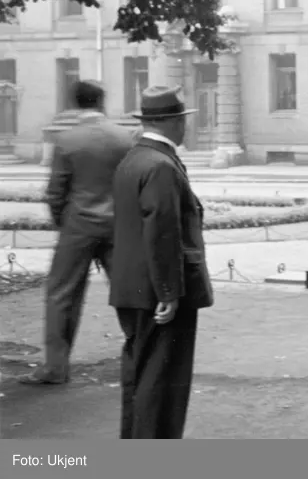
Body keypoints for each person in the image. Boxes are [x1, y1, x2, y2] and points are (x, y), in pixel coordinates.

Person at [109, 86, 213, 439]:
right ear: (169, 122)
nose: (185, 127)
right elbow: (163, 232)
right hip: (159, 289)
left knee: (140, 376)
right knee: (164, 384)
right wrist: (169, 292)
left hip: (132, 286)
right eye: (182, 120)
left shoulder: (135, 158)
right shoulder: (161, 165)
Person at [18, 80, 134, 386]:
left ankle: (56, 367)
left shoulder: (67, 140)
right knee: (127, 291)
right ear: (101, 102)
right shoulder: (124, 138)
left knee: (61, 295)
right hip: (117, 225)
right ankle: (139, 361)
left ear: (75, 103)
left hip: (78, 226)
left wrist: (65, 223)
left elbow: (56, 192)